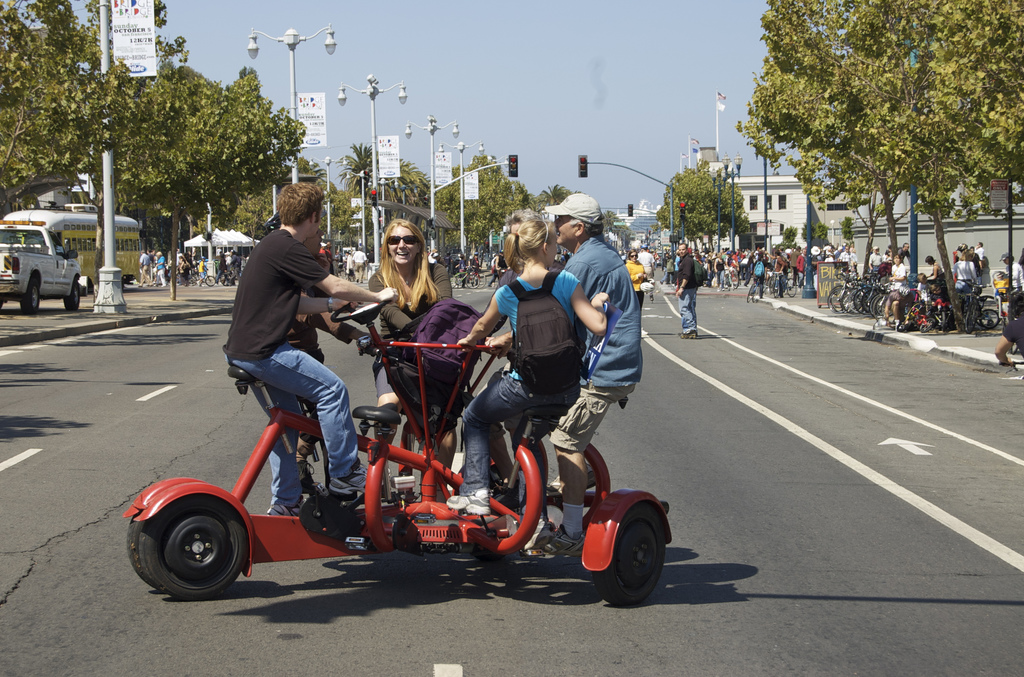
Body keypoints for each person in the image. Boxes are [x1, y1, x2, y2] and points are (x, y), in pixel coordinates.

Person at [223, 182, 397, 516]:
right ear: (313, 216)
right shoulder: (288, 246)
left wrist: (332, 304)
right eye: (319, 219)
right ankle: (345, 473)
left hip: (243, 350)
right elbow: (334, 282)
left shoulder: (270, 244)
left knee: (289, 424)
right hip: (264, 351)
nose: (319, 226)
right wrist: (377, 296)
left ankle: (285, 503)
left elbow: (293, 300)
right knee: (332, 390)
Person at [446, 218, 608, 521]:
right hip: (566, 388)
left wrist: (468, 340)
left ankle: (477, 491)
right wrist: (597, 303)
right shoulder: (566, 282)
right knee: (528, 438)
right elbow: (598, 326)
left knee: (475, 416)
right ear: (546, 247)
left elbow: (483, 326)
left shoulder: (508, 292)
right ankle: (538, 520)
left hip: (526, 386)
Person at [543, 193, 643, 554]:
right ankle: (575, 475)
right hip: (604, 364)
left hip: (604, 370)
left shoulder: (585, 263)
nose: (555, 226)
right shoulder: (593, 254)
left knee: (565, 439)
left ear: (578, 228)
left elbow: (551, 314)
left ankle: (571, 533)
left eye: (560, 220)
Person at [367, 219, 458, 466]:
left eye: (408, 240)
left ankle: (440, 487)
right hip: (393, 356)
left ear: (419, 246)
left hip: (431, 356)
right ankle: (380, 472)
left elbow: (445, 308)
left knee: (443, 422)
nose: (401, 245)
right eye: (394, 240)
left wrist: (427, 330)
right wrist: (425, 325)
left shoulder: (436, 272)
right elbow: (390, 314)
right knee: (388, 406)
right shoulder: (378, 279)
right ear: (386, 247)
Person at [675, 244, 698, 338]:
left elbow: (686, 275)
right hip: (690, 287)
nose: (681, 251)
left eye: (683, 249)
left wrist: (681, 287)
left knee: (684, 309)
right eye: (680, 250)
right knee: (689, 308)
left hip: (687, 288)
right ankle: (691, 329)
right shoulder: (684, 259)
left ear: (687, 250)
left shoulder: (687, 260)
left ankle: (691, 328)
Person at [883, 252, 910, 328]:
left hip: (901, 288)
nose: (896, 260)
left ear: (901, 259)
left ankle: (898, 320)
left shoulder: (902, 267)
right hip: (894, 288)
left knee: (894, 303)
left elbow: (903, 278)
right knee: (891, 304)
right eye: (895, 258)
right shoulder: (894, 267)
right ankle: (890, 320)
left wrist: (894, 278)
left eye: (898, 258)